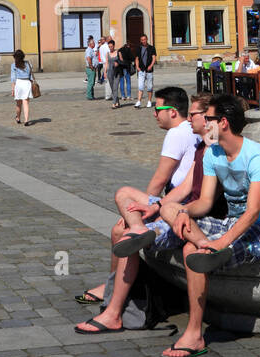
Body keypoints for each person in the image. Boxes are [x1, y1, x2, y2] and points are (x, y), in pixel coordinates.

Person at [78, 94, 260, 357]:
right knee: (169, 210)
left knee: (190, 251)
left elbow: (253, 212)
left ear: (222, 123)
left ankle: (194, 334)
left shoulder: (257, 155)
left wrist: (221, 242)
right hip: (228, 224)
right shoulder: (213, 153)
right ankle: (162, 237)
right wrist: (183, 213)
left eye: (208, 119)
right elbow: (204, 202)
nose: (203, 123)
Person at [75, 87, 198, 308]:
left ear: (172, 111)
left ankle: (113, 289)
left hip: (177, 207)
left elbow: (160, 180)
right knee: (124, 201)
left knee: (120, 231)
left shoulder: (177, 134)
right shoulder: (190, 130)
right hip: (174, 202)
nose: (154, 114)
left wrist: (140, 212)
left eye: (157, 109)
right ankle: (112, 285)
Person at [11, 49, 34, 126]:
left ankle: (18, 118)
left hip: (19, 83)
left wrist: (13, 89)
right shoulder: (28, 64)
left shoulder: (13, 65)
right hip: (27, 83)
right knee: (26, 103)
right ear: (23, 56)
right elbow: (31, 76)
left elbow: (13, 79)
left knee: (18, 104)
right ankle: (26, 120)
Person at [135, 34, 157, 109]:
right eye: (142, 40)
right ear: (140, 41)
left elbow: (154, 58)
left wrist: (151, 65)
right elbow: (137, 58)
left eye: (144, 39)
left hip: (149, 70)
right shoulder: (139, 48)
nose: (143, 41)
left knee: (149, 87)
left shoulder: (151, 48)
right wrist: (137, 67)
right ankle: (138, 101)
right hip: (141, 70)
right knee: (140, 86)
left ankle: (149, 101)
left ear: (147, 39)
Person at [84, 36, 98, 100]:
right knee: (91, 82)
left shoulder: (91, 50)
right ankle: (89, 96)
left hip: (92, 68)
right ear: (90, 44)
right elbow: (88, 58)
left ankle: (91, 95)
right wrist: (91, 66)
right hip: (90, 68)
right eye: (93, 43)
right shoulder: (89, 50)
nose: (94, 44)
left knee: (92, 82)